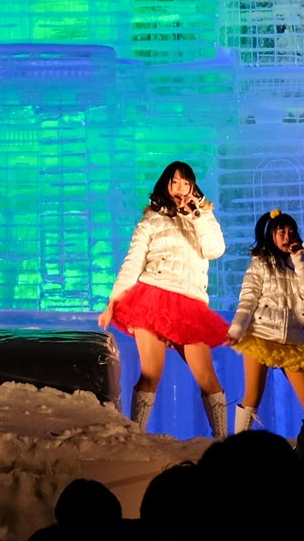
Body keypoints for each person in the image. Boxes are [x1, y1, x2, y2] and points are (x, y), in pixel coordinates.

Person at [96, 160, 229, 437]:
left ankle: (222, 440)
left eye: (186, 182)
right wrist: (114, 301)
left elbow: (215, 250)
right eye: (175, 182)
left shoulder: (202, 217)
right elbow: (133, 261)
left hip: (189, 304)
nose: (180, 188)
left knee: (207, 377)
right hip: (153, 298)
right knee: (151, 374)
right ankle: (137, 436)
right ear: (166, 185)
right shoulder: (151, 220)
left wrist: (199, 214)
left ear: (193, 186)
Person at [227, 207, 304, 441]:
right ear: (270, 235)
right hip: (261, 336)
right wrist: (236, 330)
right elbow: (247, 300)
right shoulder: (260, 264)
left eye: (291, 231)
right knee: (252, 396)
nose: (287, 236)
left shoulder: (299, 263)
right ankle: (235, 450)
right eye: (281, 231)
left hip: (291, 342)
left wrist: (299, 258)